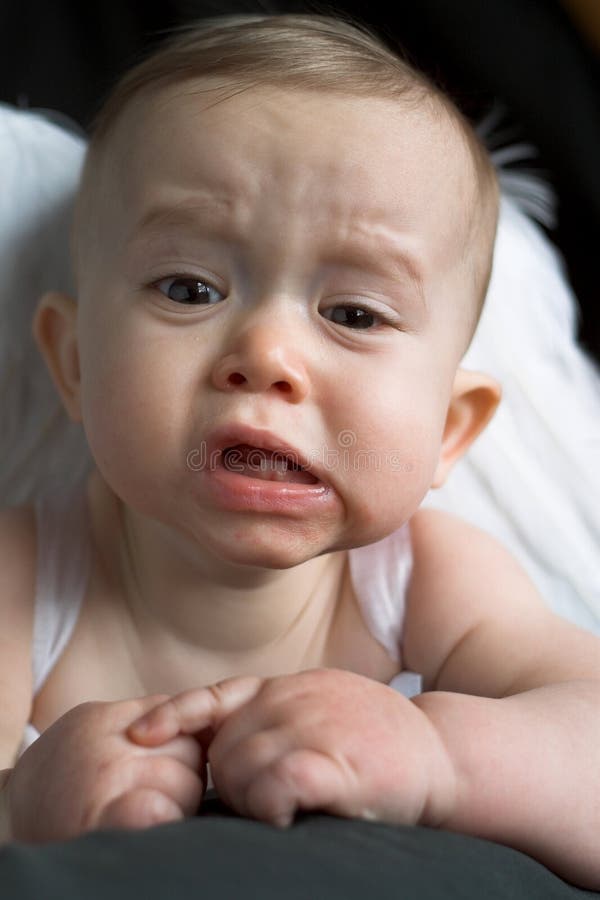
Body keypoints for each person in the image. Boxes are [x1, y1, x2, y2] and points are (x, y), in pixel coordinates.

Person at [0, 12, 598, 891]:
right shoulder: (24, 575)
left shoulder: (422, 582)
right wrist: (21, 800)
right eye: (191, 287)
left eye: (353, 314)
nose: (269, 356)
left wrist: (439, 757)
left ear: (448, 432)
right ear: (77, 366)